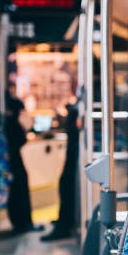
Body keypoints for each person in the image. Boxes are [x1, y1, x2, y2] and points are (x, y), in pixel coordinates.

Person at [42, 95, 80, 242]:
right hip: (74, 152)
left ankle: (63, 225)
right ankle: (64, 222)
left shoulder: (78, 106)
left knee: (66, 185)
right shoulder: (79, 104)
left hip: (75, 152)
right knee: (65, 185)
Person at [4, 85, 37, 234]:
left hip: (11, 159)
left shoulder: (6, 119)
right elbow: (20, 140)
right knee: (20, 187)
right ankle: (24, 222)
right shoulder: (12, 122)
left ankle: (20, 222)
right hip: (15, 160)